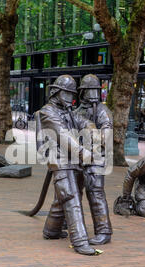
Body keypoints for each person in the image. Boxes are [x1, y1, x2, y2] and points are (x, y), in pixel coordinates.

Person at [40, 75, 100, 255]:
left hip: (74, 159)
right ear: (56, 92)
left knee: (64, 196)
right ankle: (80, 241)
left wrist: (93, 130)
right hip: (59, 159)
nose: (69, 98)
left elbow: (83, 121)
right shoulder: (47, 112)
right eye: (66, 94)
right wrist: (83, 153)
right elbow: (64, 136)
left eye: (71, 95)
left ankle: (51, 230)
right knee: (71, 198)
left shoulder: (69, 111)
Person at [74, 74, 113, 245]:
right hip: (77, 157)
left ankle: (104, 230)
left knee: (96, 193)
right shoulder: (77, 110)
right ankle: (69, 224)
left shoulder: (103, 111)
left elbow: (106, 135)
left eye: (93, 90)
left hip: (95, 157)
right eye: (88, 91)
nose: (91, 94)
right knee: (71, 192)